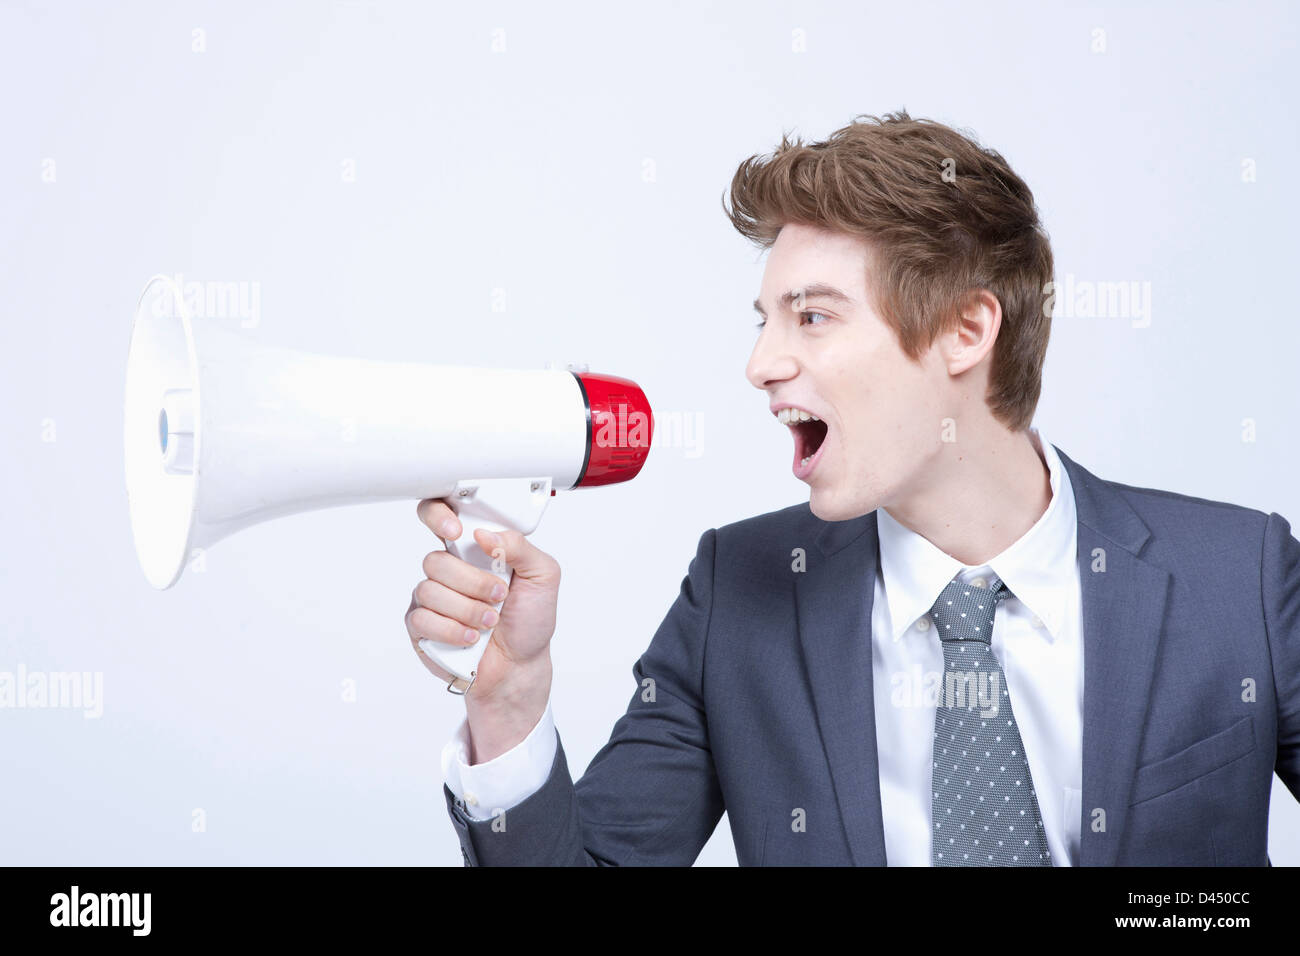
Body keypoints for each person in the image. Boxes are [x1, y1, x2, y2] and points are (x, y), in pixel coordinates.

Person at [404, 111, 1300, 866]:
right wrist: (509, 697)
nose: (761, 364)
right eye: (766, 320)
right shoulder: (738, 593)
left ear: (964, 330)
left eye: (814, 316)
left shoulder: (1241, 581)